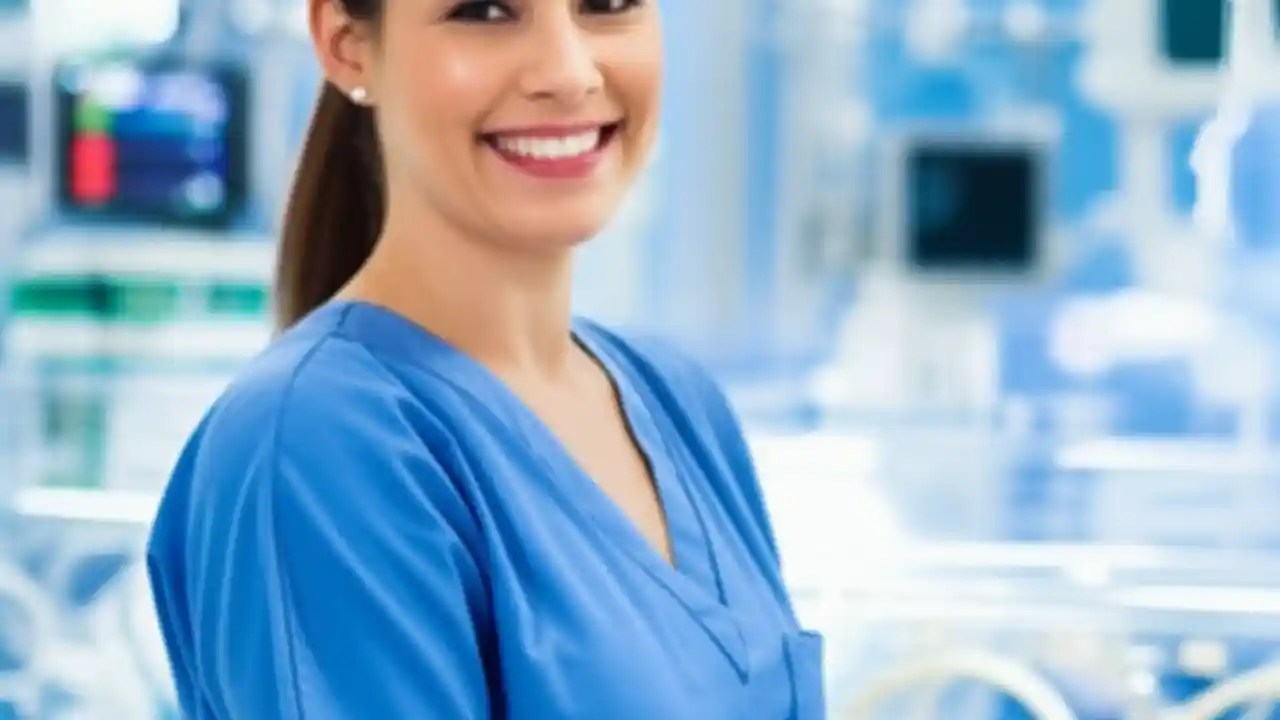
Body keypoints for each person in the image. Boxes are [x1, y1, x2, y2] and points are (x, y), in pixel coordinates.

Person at [145, 0, 825, 717]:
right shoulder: (319, 441)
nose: (568, 72)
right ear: (347, 45)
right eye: (485, 11)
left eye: (608, 4)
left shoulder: (677, 401)